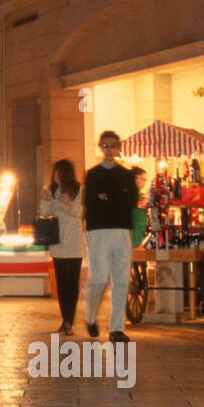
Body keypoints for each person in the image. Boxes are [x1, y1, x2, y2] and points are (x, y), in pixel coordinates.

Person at [83, 131, 138, 343]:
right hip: (98, 230)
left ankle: (116, 328)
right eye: (105, 146)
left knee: (121, 279)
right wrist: (111, 198)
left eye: (113, 146)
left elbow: (130, 200)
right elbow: (93, 200)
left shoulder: (126, 174)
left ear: (119, 148)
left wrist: (107, 198)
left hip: (122, 229)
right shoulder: (93, 174)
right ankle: (90, 316)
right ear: (100, 147)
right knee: (98, 277)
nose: (109, 150)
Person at [39, 160, 85, 336]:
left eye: (58, 173)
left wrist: (68, 204)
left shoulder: (78, 189)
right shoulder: (52, 190)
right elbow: (44, 213)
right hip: (57, 240)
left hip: (74, 241)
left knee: (72, 283)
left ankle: (69, 320)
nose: (55, 177)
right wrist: (44, 199)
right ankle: (65, 319)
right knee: (61, 282)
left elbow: (80, 213)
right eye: (54, 174)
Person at [130, 167, 150, 248]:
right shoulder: (131, 195)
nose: (144, 182)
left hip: (138, 231)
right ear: (135, 178)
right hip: (133, 233)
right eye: (143, 179)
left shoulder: (140, 195)